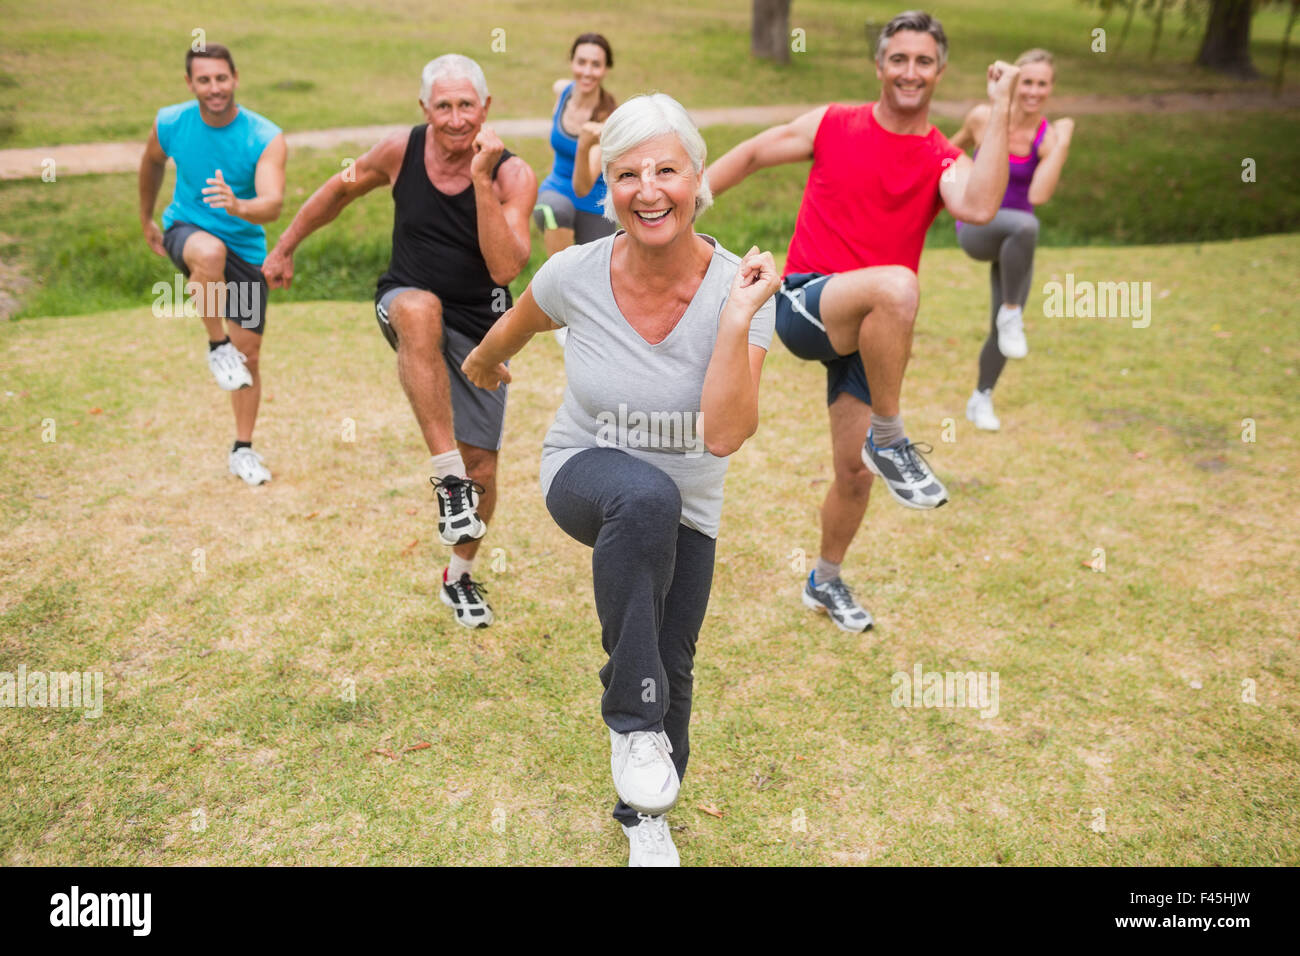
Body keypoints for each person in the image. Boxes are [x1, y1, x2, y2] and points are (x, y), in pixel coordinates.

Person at [462, 93, 778, 866]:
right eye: (627, 172)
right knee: (643, 496)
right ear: (608, 187)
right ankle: (632, 727)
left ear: (697, 179)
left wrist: (735, 321)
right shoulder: (578, 273)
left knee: (672, 660)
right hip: (583, 470)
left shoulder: (744, 290)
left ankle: (644, 818)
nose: (648, 188)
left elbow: (726, 434)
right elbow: (520, 321)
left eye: (667, 169)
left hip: (691, 509)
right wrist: (478, 363)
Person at [706, 10, 1018, 632]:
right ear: (880, 66)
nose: (910, 71)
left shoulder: (940, 158)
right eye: (898, 59)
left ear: (939, 71)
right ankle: (893, 436)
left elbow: (981, 203)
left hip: (874, 330)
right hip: (806, 302)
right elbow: (751, 154)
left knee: (854, 475)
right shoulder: (834, 124)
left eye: (923, 61)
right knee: (900, 286)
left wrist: (1001, 105)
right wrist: (681, 207)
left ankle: (824, 578)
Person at [261, 55, 536, 628]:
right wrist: (285, 244)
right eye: (443, 106)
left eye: (466, 105)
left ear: (486, 108)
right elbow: (338, 193)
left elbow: (506, 267)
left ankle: (458, 575)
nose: (455, 118)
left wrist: (481, 180)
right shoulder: (399, 150)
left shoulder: (512, 175)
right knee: (420, 308)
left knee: (484, 466)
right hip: (407, 300)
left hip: (482, 325)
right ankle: (447, 478)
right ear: (424, 110)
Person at [139, 43, 286, 486]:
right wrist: (145, 216)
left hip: (244, 248)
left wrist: (238, 206)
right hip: (187, 230)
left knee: (250, 357)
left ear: (235, 78)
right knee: (208, 253)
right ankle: (215, 345)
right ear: (190, 83)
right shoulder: (170, 122)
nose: (214, 88)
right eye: (204, 80)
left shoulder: (265, 136)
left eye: (221, 78)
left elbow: (273, 204)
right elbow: (150, 163)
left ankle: (242, 449)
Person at [951, 48, 1074, 431]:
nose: (1034, 90)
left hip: (1015, 242)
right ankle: (1012, 312)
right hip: (977, 228)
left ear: (1050, 89)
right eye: (1028, 82)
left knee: (1003, 330)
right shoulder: (983, 118)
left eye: (1042, 83)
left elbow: (1038, 195)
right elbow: (946, 154)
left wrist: (1062, 145)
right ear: (1015, 83)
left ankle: (981, 397)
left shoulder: (1047, 138)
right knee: (1028, 228)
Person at [532, 33, 619, 257]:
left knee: (596, 276)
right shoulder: (564, 92)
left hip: (593, 202)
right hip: (555, 190)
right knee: (556, 211)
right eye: (581, 62)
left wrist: (583, 145)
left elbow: (582, 188)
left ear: (606, 69)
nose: (587, 72)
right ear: (572, 62)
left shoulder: (607, 120)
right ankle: (554, 283)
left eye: (596, 65)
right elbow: (558, 84)